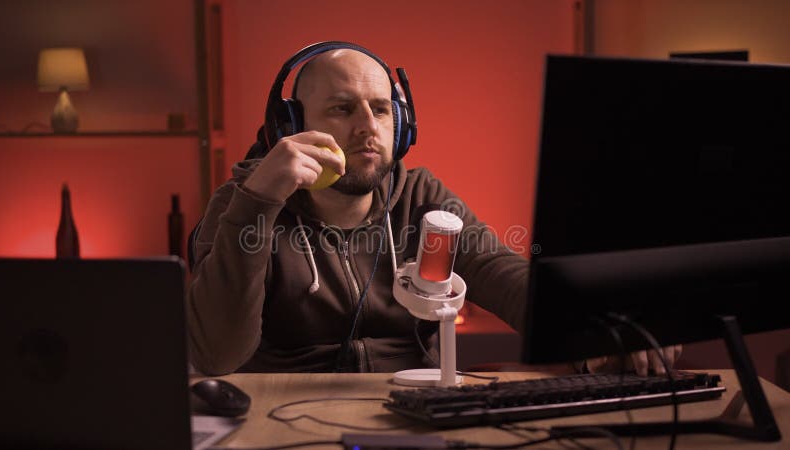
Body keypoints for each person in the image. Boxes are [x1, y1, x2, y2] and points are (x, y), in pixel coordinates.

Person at [186, 42, 680, 376]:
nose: (367, 127)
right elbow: (216, 356)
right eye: (341, 108)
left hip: (410, 411)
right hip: (282, 418)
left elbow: (498, 269)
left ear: (401, 123)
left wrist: (600, 327)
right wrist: (260, 201)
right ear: (289, 125)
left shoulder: (421, 197)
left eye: (380, 109)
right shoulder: (243, 204)